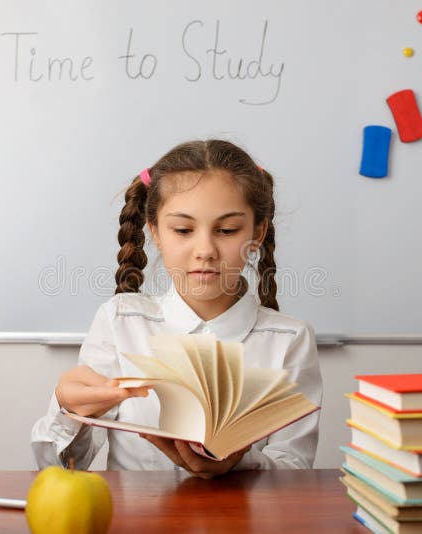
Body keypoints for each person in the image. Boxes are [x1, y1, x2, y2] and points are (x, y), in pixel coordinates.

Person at [31, 139, 322, 478]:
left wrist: (238, 463)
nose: (205, 250)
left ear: (257, 231)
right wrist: (68, 411)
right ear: (154, 230)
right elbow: (58, 469)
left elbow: (296, 477)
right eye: (183, 230)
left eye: (227, 230)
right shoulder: (120, 322)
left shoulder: (290, 340)